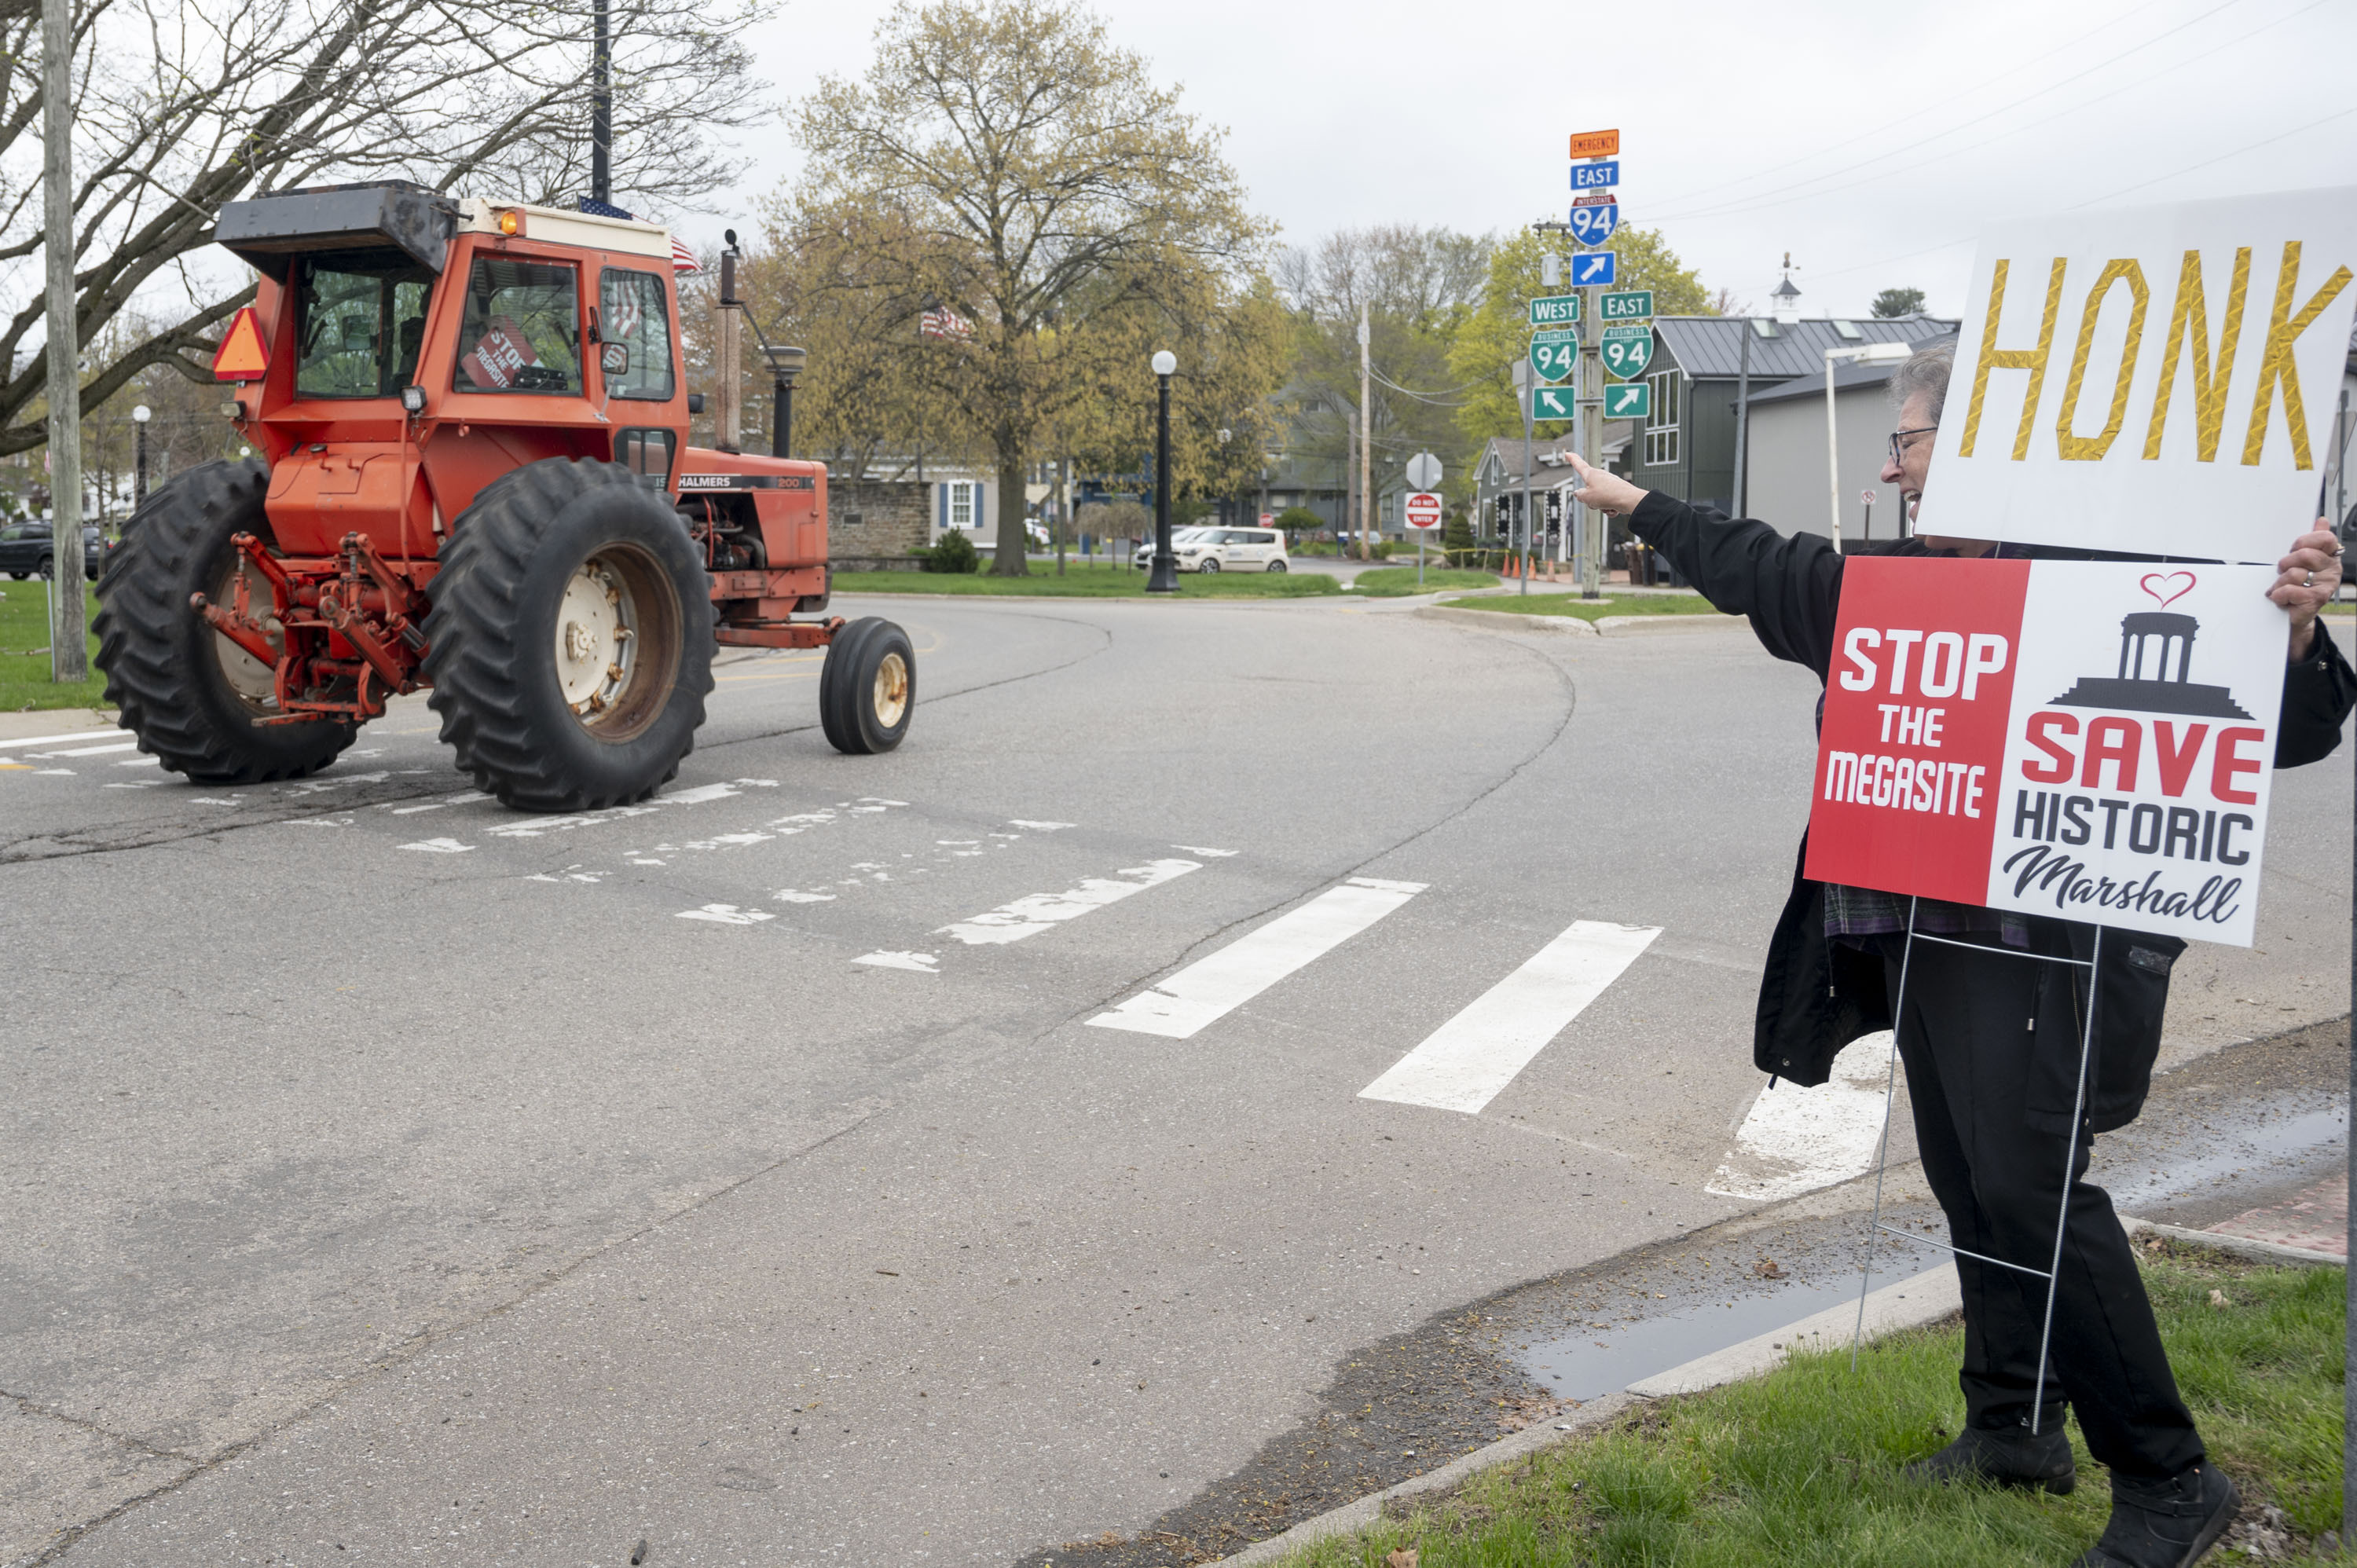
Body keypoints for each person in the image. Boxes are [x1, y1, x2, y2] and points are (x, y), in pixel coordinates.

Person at [1567, 339, 2355, 1568]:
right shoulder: (1912, 578)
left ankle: (2167, 1477)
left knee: (2037, 1193)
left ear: (1985, 445)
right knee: (1972, 1183)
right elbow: (1774, 573)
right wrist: (1645, 508)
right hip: (1929, 935)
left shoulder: (2119, 576)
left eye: (1909, 439)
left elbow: (2296, 733)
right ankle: (2014, 1428)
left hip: (2055, 942)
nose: (1894, 465)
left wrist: (2297, 629)